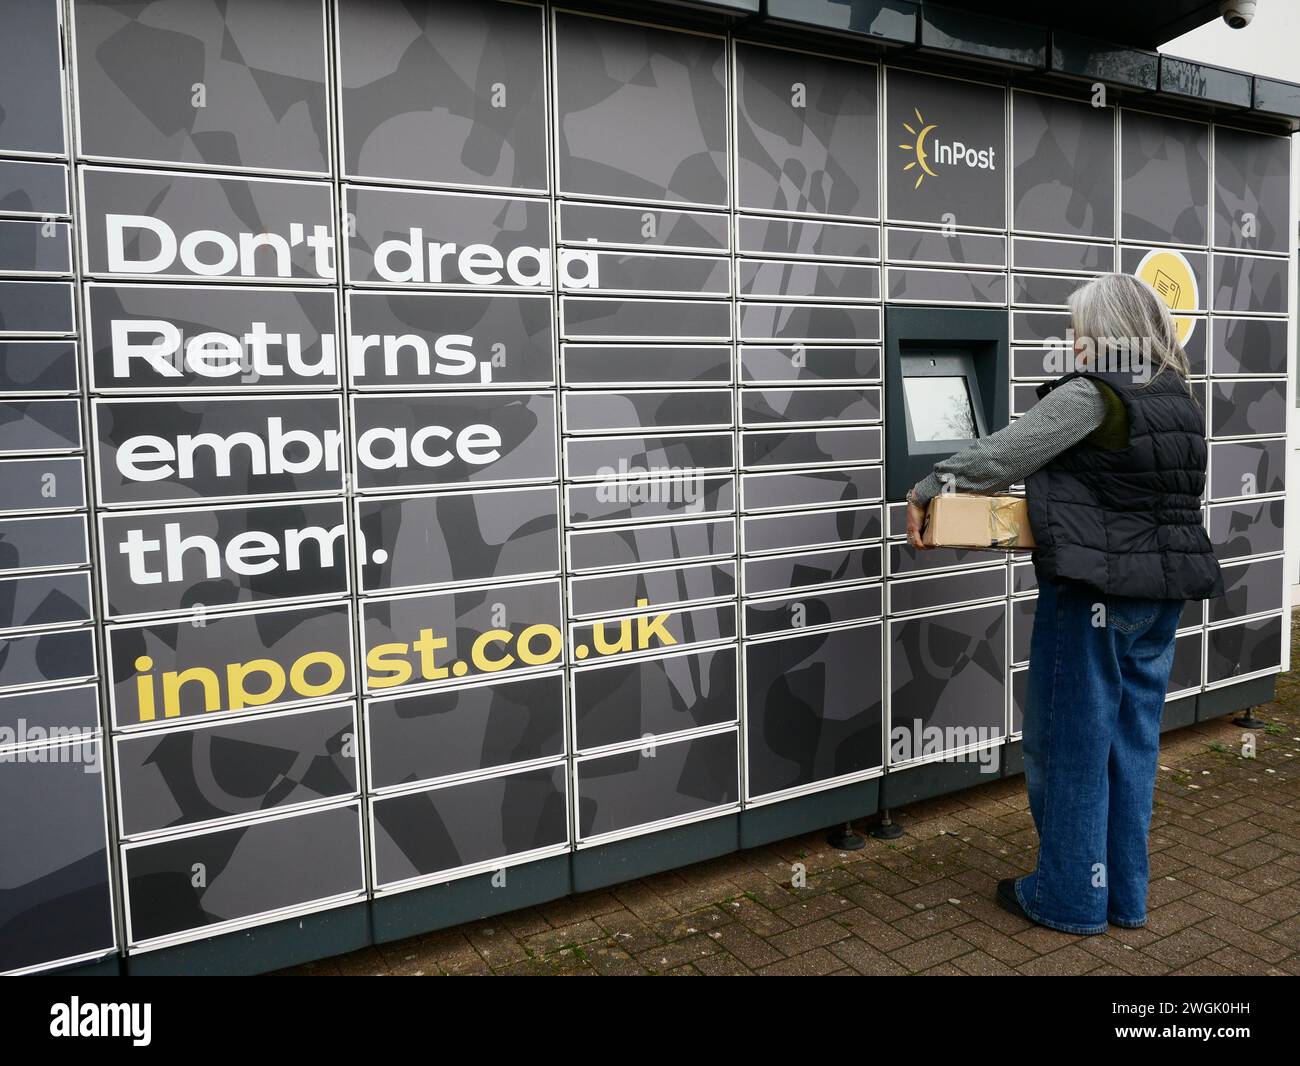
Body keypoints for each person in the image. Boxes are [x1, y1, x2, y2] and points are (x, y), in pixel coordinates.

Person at [905, 273, 1224, 935]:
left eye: (1080, 329)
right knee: (1129, 746)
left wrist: (932, 486)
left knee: (1067, 747)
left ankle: (1068, 900)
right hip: (1159, 598)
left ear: (1108, 333)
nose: (1072, 341)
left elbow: (1007, 453)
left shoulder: (1096, 395)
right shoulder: (1176, 392)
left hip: (1094, 599)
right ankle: (1122, 897)